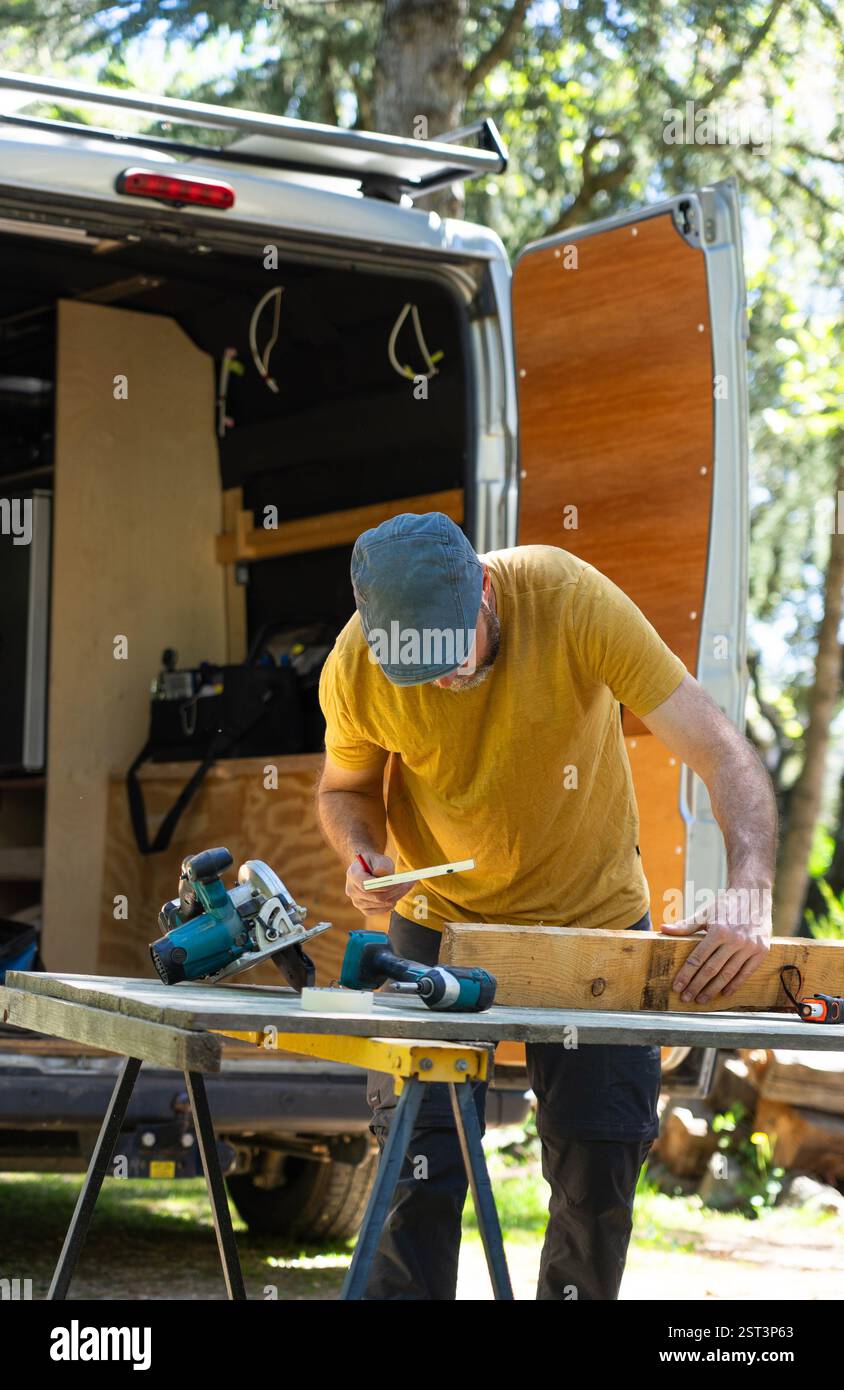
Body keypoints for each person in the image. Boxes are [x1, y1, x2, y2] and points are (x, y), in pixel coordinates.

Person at [316, 511, 777, 1300]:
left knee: (598, 1170)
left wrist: (751, 887)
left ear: (485, 591)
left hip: (592, 922)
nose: (439, 683)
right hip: (438, 926)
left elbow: (717, 748)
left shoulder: (569, 599)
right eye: (415, 670)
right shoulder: (354, 666)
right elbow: (345, 789)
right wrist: (361, 852)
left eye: (450, 655)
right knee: (415, 1163)